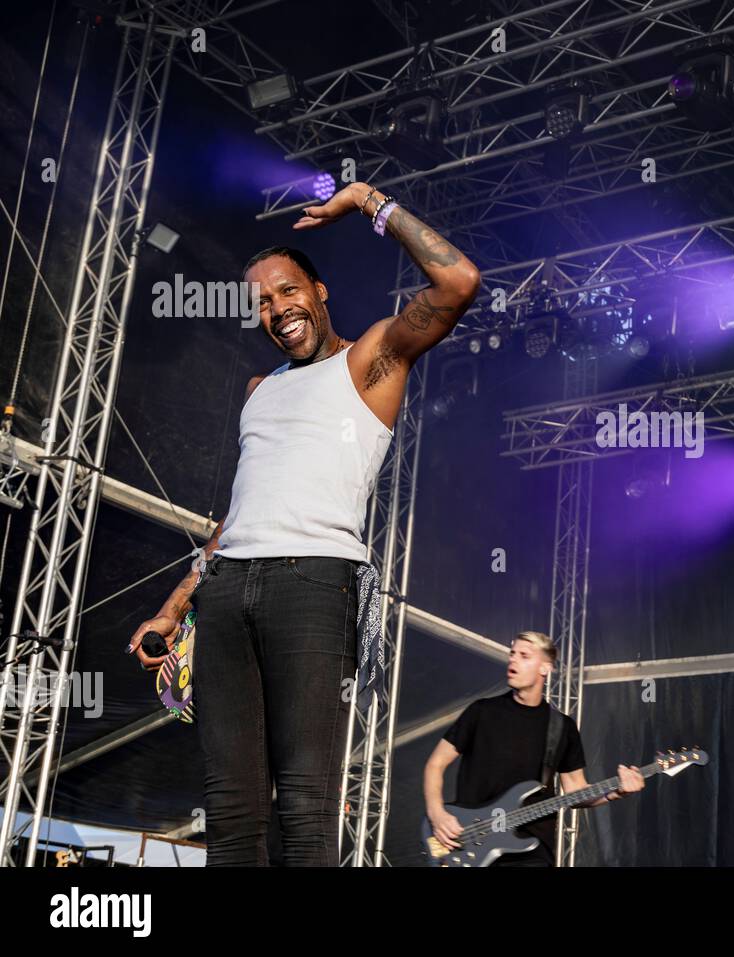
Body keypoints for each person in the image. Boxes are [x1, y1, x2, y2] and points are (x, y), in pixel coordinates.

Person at [126, 182, 480, 865]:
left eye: (287, 290)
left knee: (307, 805)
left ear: (319, 292)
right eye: (261, 301)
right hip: (228, 594)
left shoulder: (371, 359)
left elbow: (458, 280)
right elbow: (241, 514)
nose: (275, 309)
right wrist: (173, 610)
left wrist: (367, 202)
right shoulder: (260, 392)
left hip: (314, 585)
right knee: (230, 807)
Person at [423, 631, 645, 867]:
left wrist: (616, 791)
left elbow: (576, 790)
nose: (513, 660)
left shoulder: (561, 727)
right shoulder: (482, 712)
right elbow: (435, 765)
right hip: (470, 842)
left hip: (532, 852)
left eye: (524, 655)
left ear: (544, 668)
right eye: (512, 654)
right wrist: (437, 813)